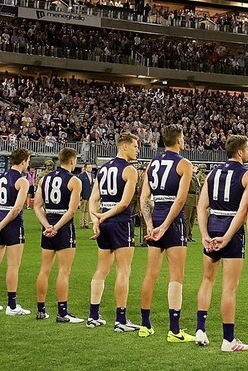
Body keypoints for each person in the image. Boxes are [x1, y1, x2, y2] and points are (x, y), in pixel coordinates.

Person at [195, 134, 248, 352]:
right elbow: (242, 211)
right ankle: (228, 340)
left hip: (212, 227)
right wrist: (228, 236)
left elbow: (202, 206)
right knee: (229, 287)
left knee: (207, 279)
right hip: (230, 231)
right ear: (239, 152)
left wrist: (204, 234)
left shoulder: (213, 173)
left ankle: (200, 329)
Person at [138, 125, 196, 341]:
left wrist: (151, 225)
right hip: (173, 220)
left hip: (156, 218)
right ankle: (174, 330)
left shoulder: (152, 164)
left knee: (150, 274)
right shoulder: (184, 164)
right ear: (179, 140)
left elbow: (144, 198)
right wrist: (164, 226)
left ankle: (145, 325)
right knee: (176, 276)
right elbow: (180, 200)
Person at [88, 132, 142, 331]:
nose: (137, 149)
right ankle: (121, 319)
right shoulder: (129, 170)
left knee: (102, 269)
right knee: (123, 270)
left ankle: (93, 316)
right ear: (125, 146)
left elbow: (94, 198)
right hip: (120, 222)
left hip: (104, 221)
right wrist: (103, 216)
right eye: (135, 146)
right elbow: (125, 203)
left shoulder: (103, 169)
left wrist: (97, 219)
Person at [33, 146, 84, 323]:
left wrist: (47, 225)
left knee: (44, 269)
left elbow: (37, 206)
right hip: (63, 227)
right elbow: (71, 211)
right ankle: (62, 312)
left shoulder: (45, 179)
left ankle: (40, 310)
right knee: (64, 271)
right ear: (72, 160)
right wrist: (56, 227)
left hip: (48, 224)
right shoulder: (74, 181)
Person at [0, 148, 32, 316]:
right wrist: (2, 225)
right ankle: (11, 305)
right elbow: (17, 208)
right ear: (24, 161)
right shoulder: (22, 181)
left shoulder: (0, 178)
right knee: (13, 265)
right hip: (11, 224)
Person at [78, 161, 94, 228]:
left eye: (91, 167)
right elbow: (80, 186)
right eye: (89, 167)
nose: (90, 169)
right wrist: (80, 195)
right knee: (82, 210)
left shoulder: (92, 175)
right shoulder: (82, 175)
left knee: (87, 210)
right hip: (84, 195)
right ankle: (82, 224)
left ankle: (86, 223)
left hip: (89, 195)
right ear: (85, 168)